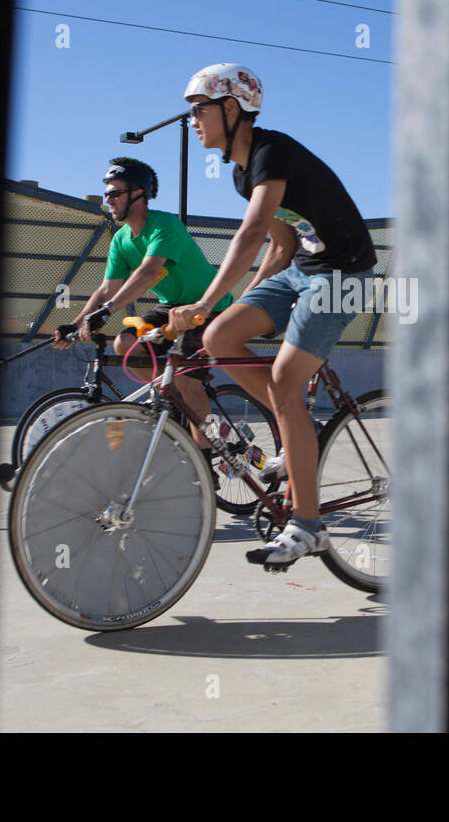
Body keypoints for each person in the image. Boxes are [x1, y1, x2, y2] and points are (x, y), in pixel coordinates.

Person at [168, 63, 377, 572]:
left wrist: (202, 301)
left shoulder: (270, 151)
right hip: (302, 271)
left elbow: (255, 229)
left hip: (342, 275)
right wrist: (235, 306)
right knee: (219, 337)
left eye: (199, 110)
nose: (192, 120)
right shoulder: (243, 174)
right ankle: (294, 421)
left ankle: (309, 527)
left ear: (231, 109)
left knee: (283, 381)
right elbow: (281, 246)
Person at [54, 156, 232, 449]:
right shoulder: (121, 239)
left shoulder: (165, 224)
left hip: (208, 306)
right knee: (126, 345)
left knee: (188, 381)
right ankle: (175, 399)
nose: (108, 200)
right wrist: (77, 323)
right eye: (106, 193)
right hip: (171, 306)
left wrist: (108, 310)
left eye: (115, 193)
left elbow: (148, 272)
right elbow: (107, 288)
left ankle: (206, 461)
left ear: (138, 193)